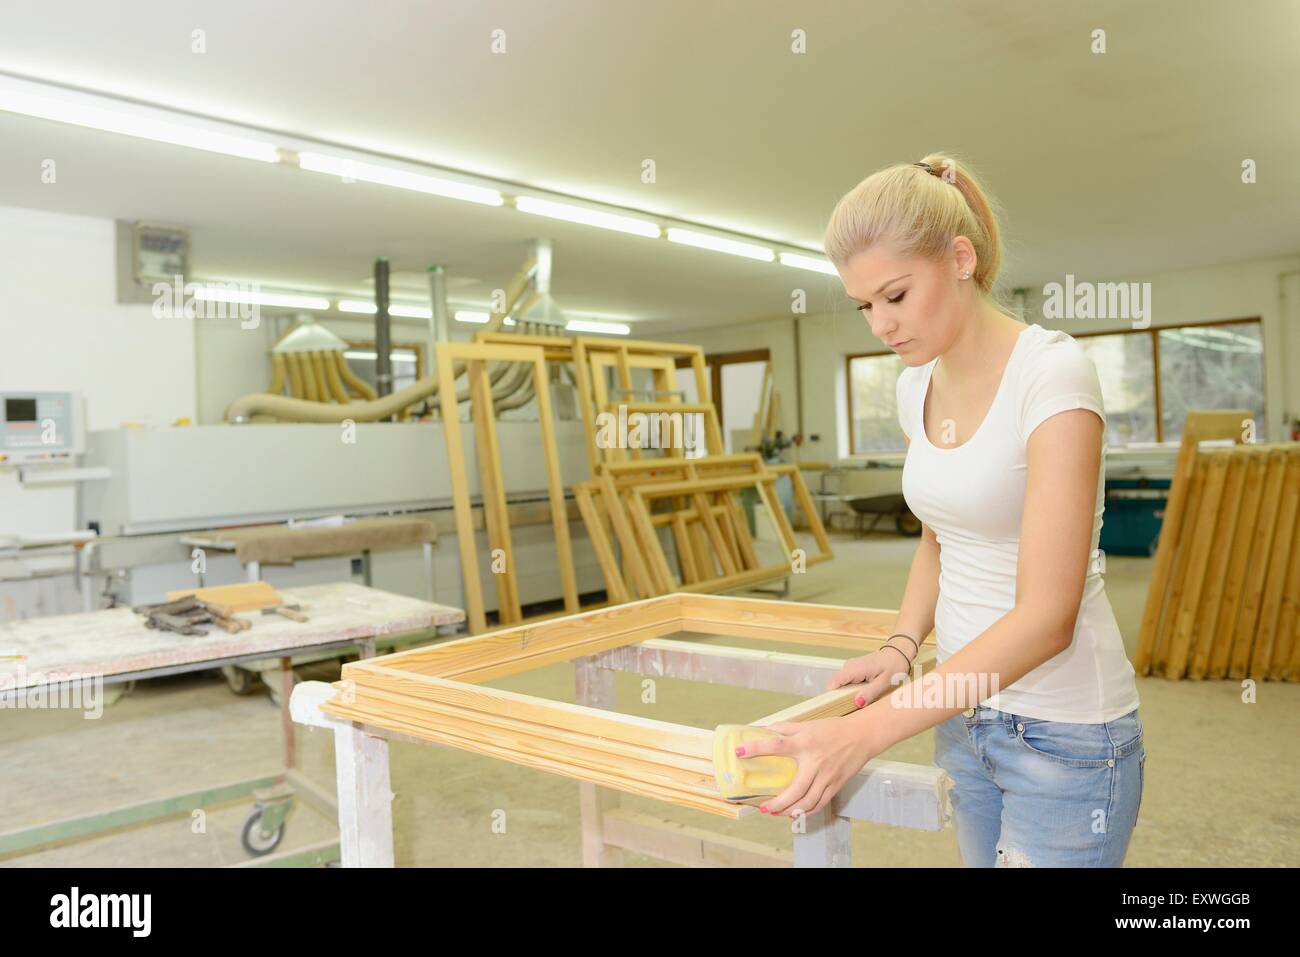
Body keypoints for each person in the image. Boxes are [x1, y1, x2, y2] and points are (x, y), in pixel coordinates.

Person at [738, 154, 1144, 867]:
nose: (880, 325)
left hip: (1064, 730)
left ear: (961, 258)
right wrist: (901, 645)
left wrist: (869, 732)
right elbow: (938, 538)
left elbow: (1048, 617)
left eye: (895, 294)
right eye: (865, 305)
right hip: (962, 715)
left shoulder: (1052, 373)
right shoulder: (913, 385)